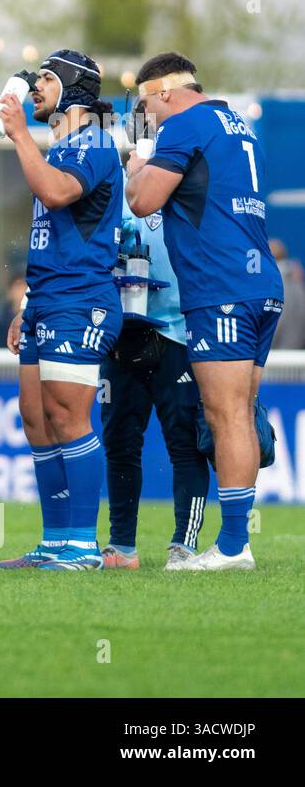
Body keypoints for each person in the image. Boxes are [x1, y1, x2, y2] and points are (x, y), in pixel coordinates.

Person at [125, 52, 284, 570]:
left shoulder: (183, 123)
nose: (145, 116)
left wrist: (138, 167)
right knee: (241, 412)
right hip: (260, 281)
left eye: (145, 104)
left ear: (165, 92)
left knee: (225, 415)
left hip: (220, 287)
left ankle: (235, 546)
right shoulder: (235, 122)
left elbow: (144, 202)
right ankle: (236, 538)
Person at [0, 49, 122, 571]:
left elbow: (54, 192)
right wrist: (26, 303)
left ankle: (83, 546)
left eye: (46, 78)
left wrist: (20, 133)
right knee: (37, 418)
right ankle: (55, 540)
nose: (35, 86)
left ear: (74, 90)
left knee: (68, 416)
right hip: (48, 299)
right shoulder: (61, 145)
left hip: (82, 299)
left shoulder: (93, 143)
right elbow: (48, 235)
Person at [99, 172, 213, 569]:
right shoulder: (114, 187)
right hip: (123, 334)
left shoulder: (189, 186)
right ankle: (122, 546)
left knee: (184, 443)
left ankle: (184, 542)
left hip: (179, 335)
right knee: (120, 443)